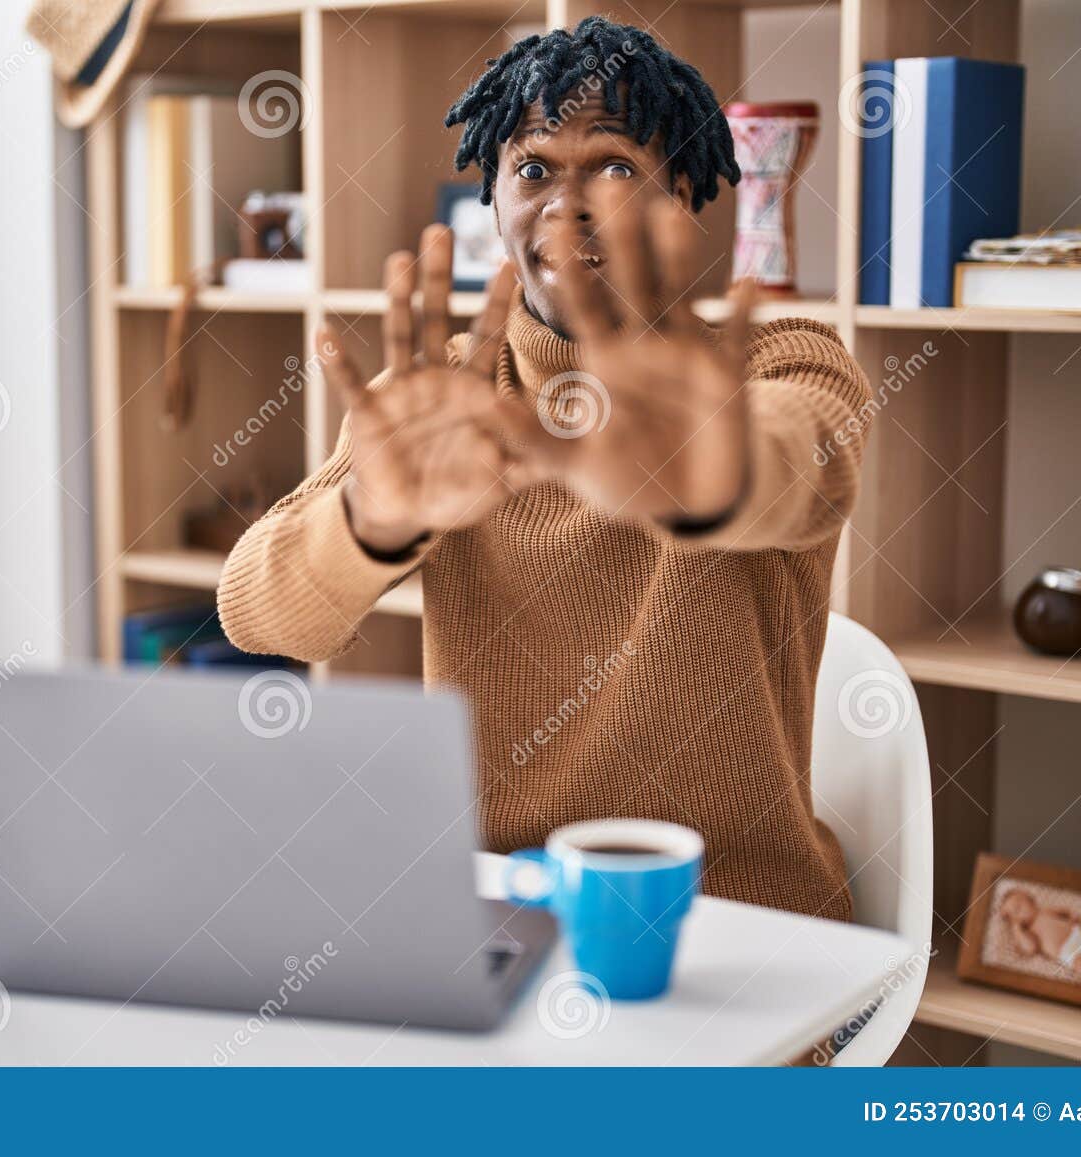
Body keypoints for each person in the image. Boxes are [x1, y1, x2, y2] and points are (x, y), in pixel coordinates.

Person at [219, 16, 871, 922]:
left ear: (683, 193)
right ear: (492, 199)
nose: (567, 204)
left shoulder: (777, 358)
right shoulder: (447, 391)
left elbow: (807, 464)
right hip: (503, 910)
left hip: (738, 921)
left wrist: (693, 470)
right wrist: (374, 519)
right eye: (532, 169)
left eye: (612, 164)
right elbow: (257, 613)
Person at [996, 888, 1081, 989]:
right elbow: (1030, 948)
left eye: (1018, 905)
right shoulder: (1030, 932)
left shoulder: (1045, 911)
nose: (1017, 913)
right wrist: (1016, 928)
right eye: (1012, 915)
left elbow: (1065, 912)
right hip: (1073, 954)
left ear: (1029, 899)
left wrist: (1073, 917)